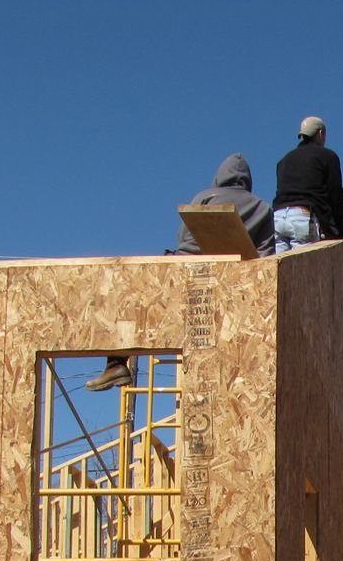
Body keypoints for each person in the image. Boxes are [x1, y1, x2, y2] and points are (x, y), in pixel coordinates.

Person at [87, 153, 275, 392]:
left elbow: (184, 238)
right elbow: (266, 258)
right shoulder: (262, 207)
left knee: (136, 303)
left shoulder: (203, 197)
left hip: (186, 274)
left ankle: (116, 363)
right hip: (233, 290)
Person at [272, 115, 343, 253]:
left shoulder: (283, 161)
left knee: (279, 271)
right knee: (304, 270)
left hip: (277, 217)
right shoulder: (328, 156)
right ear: (320, 133)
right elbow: (335, 196)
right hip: (302, 217)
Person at [174, 153, 275, 257]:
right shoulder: (263, 207)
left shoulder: (204, 197)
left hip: (188, 258)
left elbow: (182, 235)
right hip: (236, 267)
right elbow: (265, 254)